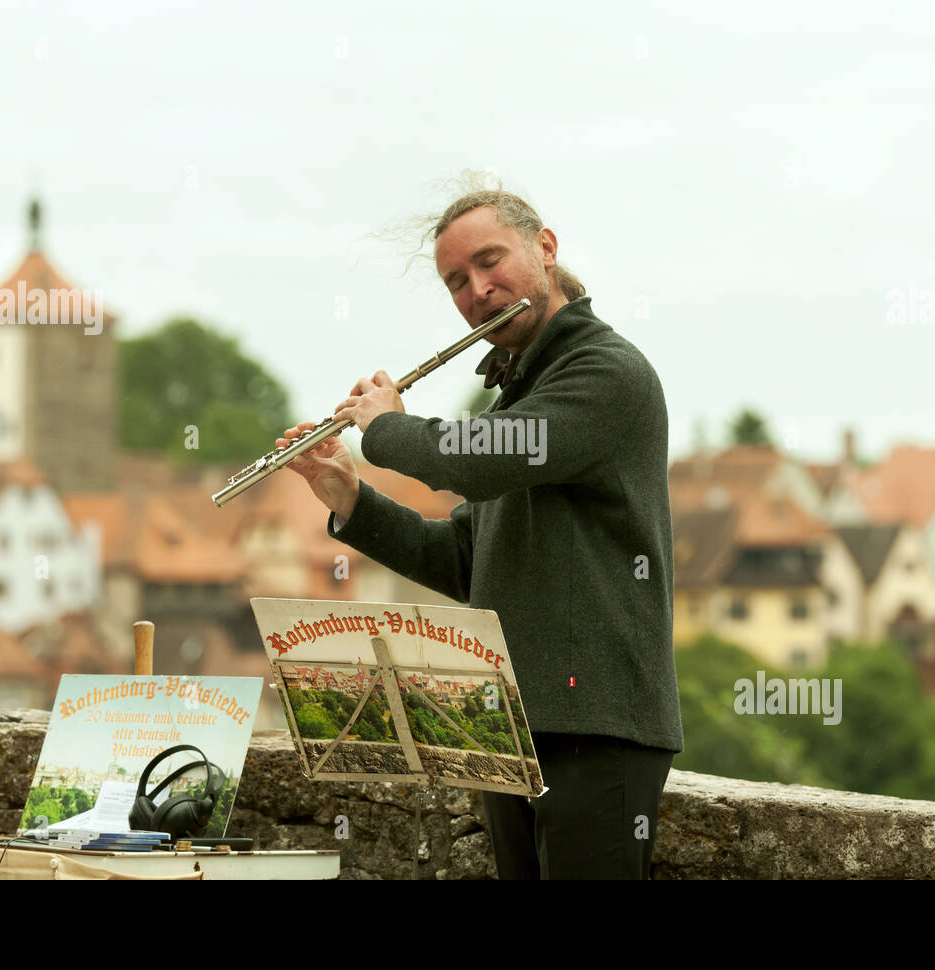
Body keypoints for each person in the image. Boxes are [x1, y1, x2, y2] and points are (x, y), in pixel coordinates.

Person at [278, 184, 683, 879]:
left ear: (545, 249)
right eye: (456, 282)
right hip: (514, 727)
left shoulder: (604, 373)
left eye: (490, 262)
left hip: (597, 726)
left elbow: (474, 458)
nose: (477, 291)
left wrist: (387, 427)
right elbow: (466, 558)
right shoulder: (517, 396)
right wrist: (351, 499)